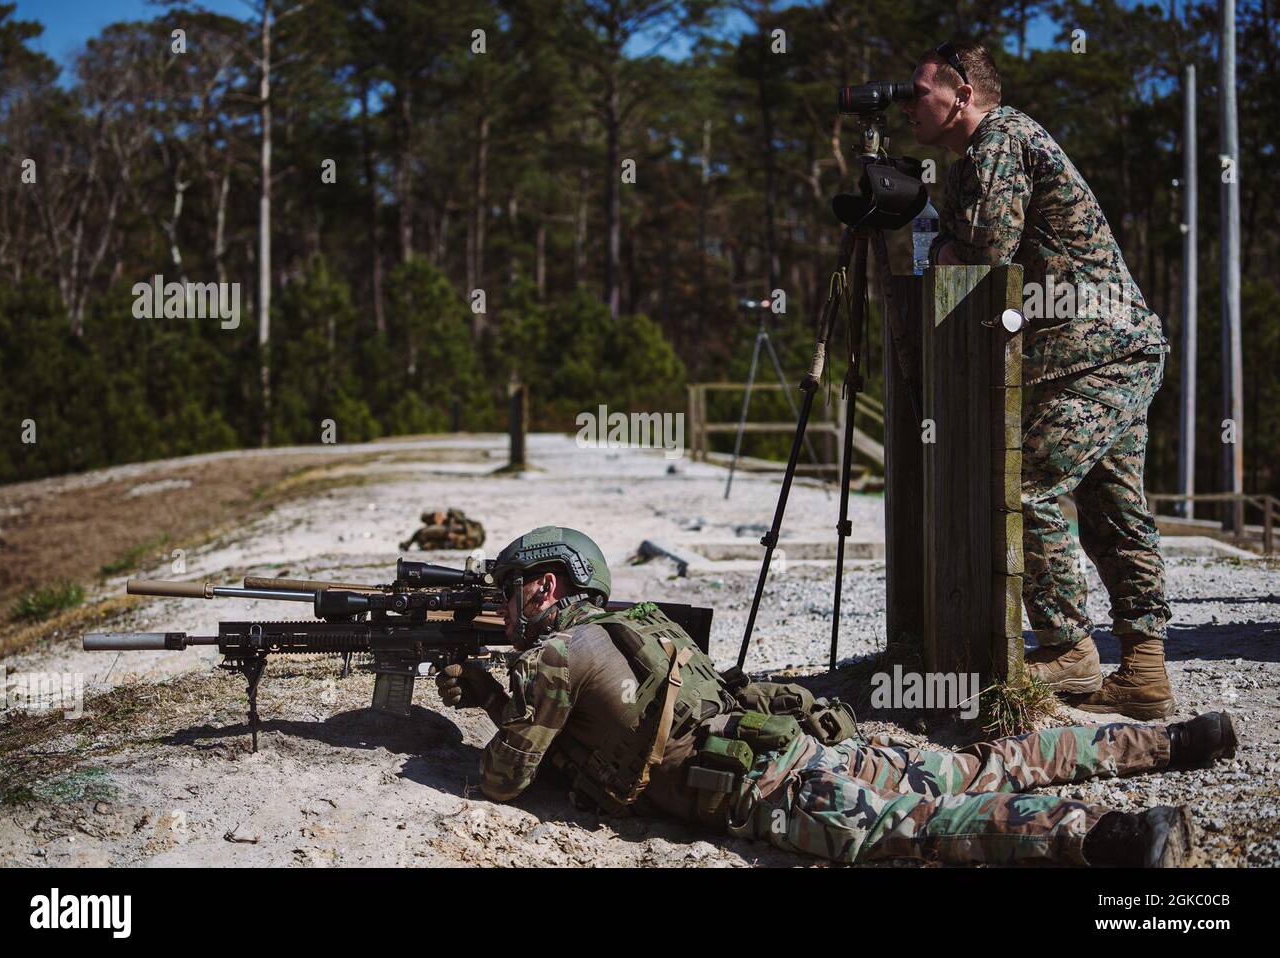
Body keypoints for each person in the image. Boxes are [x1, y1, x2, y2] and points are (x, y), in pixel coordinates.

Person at [436, 527, 1236, 866]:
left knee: (923, 830)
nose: (503, 610)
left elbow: (505, 780)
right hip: (805, 749)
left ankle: (1115, 839)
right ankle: (1179, 741)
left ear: (544, 586)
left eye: (508, 593)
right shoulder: (639, 629)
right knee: (980, 764)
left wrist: (477, 704)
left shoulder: (553, 654)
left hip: (770, 791)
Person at [900, 41, 1175, 719]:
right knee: (1114, 508)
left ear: (961, 93)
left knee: (1021, 489)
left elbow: (987, 257)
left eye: (920, 91)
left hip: (1094, 349)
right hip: (1115, 344)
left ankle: (1068, 653)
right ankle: (1144, 670)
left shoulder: (1000, 138)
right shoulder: (989, 149)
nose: (910, 106)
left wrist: (929, 246)